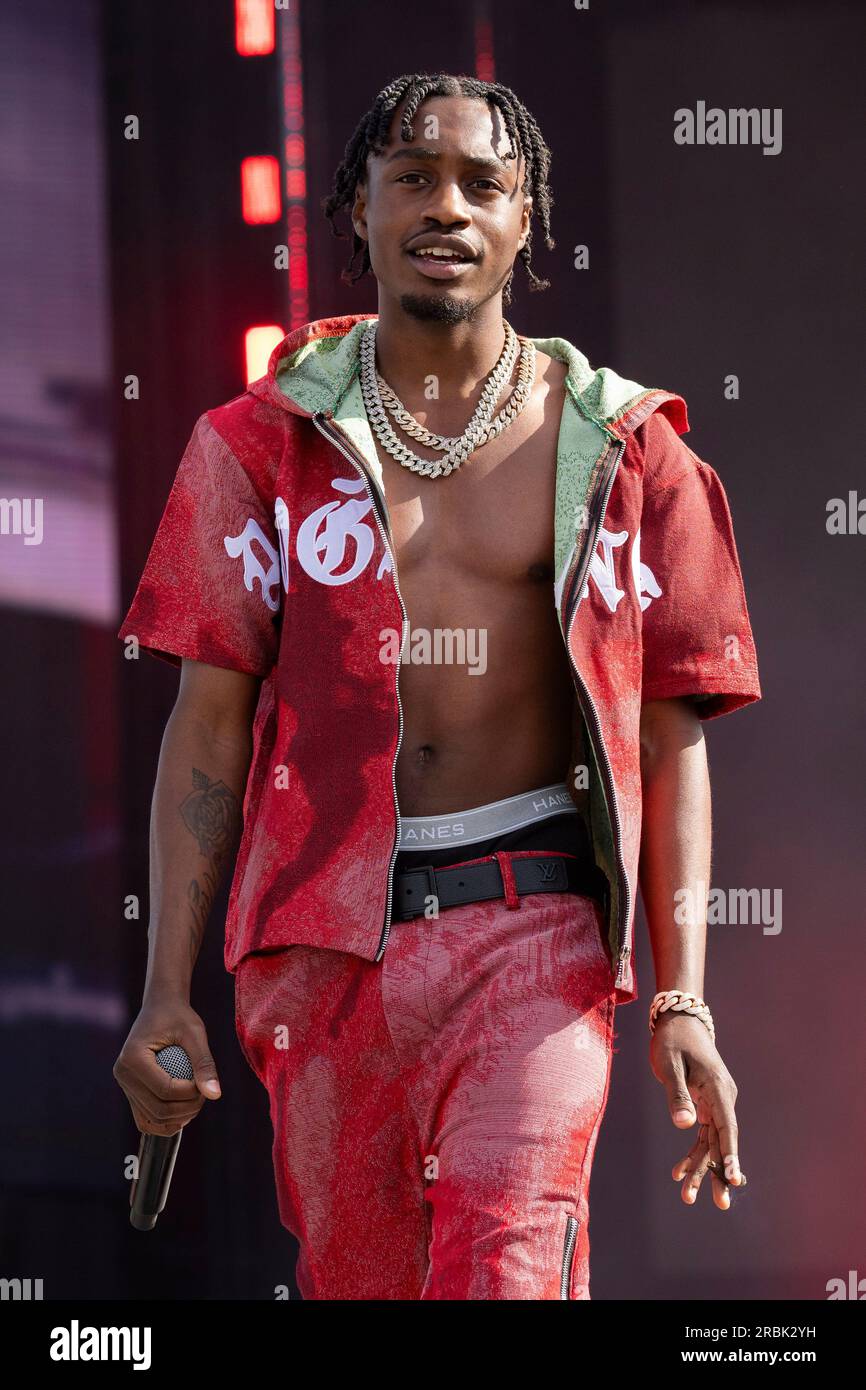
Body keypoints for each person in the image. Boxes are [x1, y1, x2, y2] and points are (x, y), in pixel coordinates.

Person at [113, 72, 761, 1300]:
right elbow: (207, 731)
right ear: (353, 210)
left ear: (528, 221)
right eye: (410, 176)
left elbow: (672, 740)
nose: (445, 206)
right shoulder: (256, 447)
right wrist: (165, 995)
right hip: (322, 952)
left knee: (509, 1268)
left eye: (483, 183)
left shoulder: (633, 455)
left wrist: (682, 996)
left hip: (538, 937)